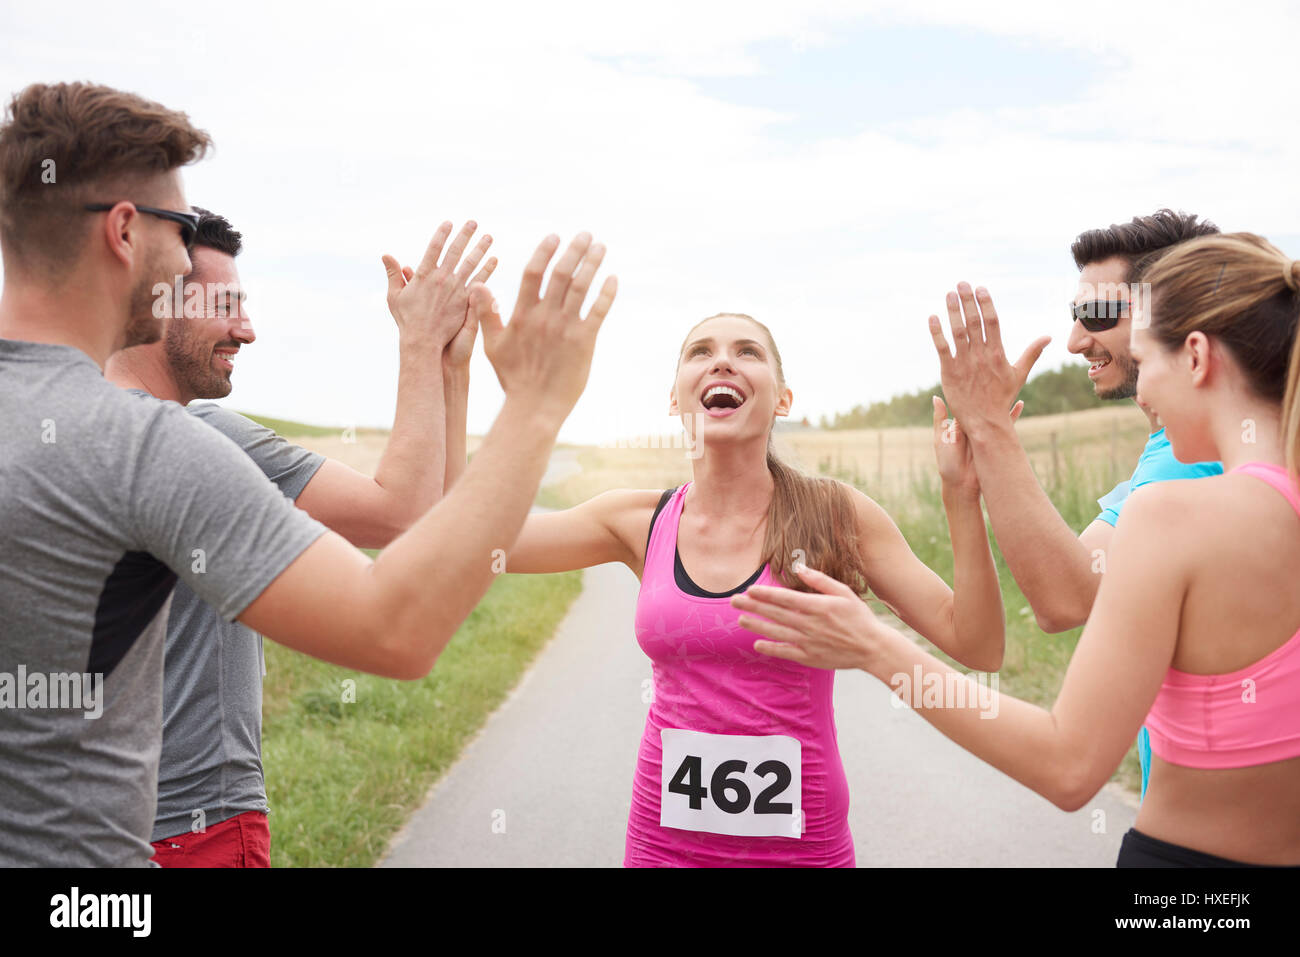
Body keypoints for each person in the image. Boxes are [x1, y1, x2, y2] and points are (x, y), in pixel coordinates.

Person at [0, 81, 614, 866]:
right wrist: (534, 405)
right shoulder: (143, 445)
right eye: (181, 227)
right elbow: (394, 627)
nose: (187, 252)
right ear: (124, 230)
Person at [735, 232, 1300, 867]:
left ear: (1196, 356)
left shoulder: (1170, 516)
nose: (1144, 397)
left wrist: (873, 646)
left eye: (1147, 362)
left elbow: (1069, 765)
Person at [474, 309, 1010, 866]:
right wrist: (447, 365)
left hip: (803, 851)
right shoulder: (637, 520)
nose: (722, 360)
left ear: (782, 400)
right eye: (700, 351)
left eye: (748, 351)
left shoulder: (836, 514)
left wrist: (961, 498)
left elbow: (975, 644)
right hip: (662, 849)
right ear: (675, 399)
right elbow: (469, 541)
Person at [103, 208, 495, 866]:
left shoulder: (76, 425)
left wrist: (449, 372)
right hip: (196, 829)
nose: (247, 330)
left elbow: (432, 523)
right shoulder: (201, 437)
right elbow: (403, 515)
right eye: (226, 304)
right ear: (159, 302)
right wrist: (419, 345)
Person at [926, 209, 1223, 799]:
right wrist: (974, 472)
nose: (1075, 340)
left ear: (1176, 315)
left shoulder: (1204, 451)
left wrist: (989, 426)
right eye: (1074, 315)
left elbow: (1066, 598)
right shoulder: (1176, 444)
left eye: (1096, 314)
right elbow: (1077, 570)